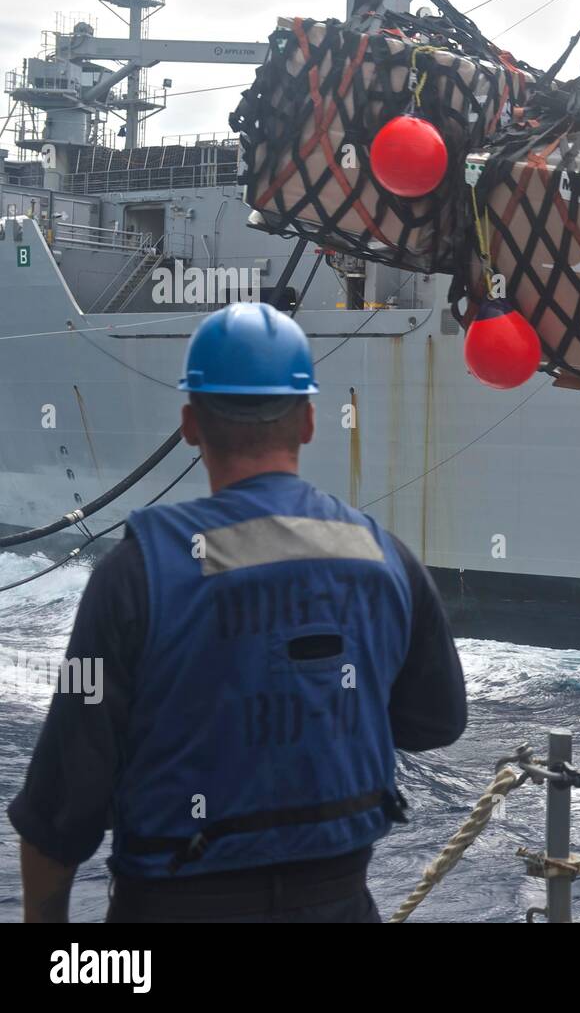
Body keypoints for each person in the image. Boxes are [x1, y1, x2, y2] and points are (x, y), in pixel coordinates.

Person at [9, 303, 467, 923]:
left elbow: (58, 812)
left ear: (191, 424)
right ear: (307, 421)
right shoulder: (388, 559)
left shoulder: (136, 574)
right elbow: (436, 723)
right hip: (337, 904)